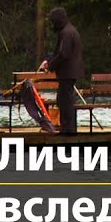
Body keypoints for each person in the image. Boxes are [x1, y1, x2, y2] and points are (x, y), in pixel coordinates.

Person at [38, 7, 84, 135]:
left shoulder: (66, 33)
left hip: (68, 72)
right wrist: (49, 61)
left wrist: (50, 66)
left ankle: (68, 130)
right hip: (70, 72)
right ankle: (69, 129)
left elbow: (64, 54)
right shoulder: (69, 31)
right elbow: (60, 53)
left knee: (65, 101)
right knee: (64, 100)